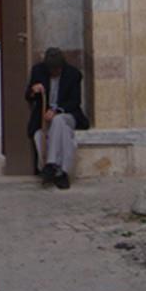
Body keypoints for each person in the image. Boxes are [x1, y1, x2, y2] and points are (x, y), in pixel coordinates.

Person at [25, 46, 89, 189]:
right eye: (52, 70)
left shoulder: (73, 74)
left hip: (68, 115)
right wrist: (34, 90)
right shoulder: (38, 71)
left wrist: (57, 110)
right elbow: (28, 96)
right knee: (64, 133)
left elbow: (75, 101)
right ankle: (62, 172)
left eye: (57, 70)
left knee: (59, 120)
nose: (55, 72)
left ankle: (50, 163)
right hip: (44, 119)